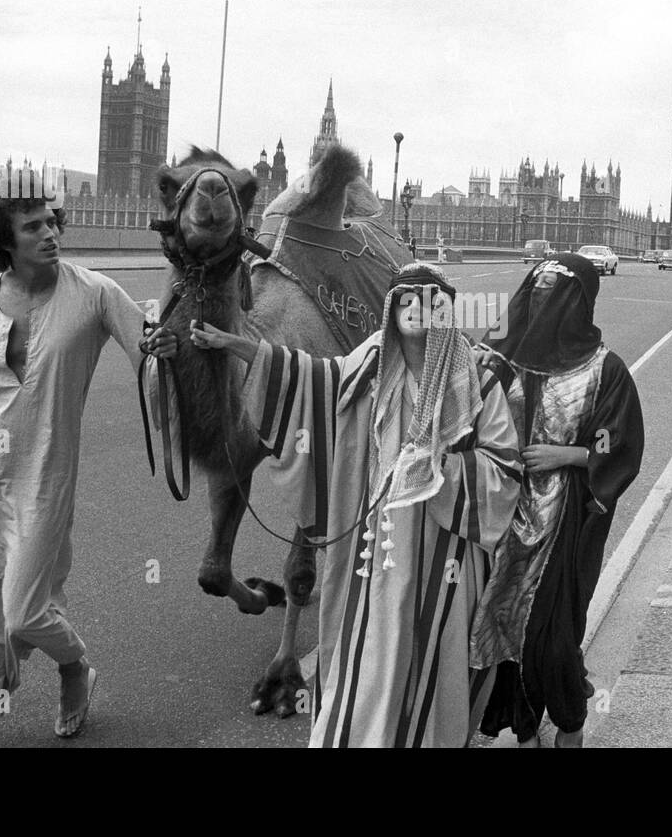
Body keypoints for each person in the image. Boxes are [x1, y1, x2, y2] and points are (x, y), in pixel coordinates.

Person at [191, 263, 521, 747]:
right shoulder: (365, 366)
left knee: (431, 663)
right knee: (361, 658)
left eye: (428, 303)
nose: (416, 311)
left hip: (443, 556)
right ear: (391, 310)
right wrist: (237, 347)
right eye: (406, 301)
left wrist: (439, 470)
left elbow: (504, 470)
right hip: (372, 554)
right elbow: (302, 380)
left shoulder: (480, 378)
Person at [0, 181, 176, 747]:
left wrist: (167, 352)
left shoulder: (94, 293)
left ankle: (74, 666)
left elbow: (151, 359)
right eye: (33, 227)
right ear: (5, 243)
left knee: (21, 611)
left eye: (51, 222)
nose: (50, 234)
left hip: (46, 472)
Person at [471, 253, 645, 748]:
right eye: (538, 288)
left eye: (555, 291)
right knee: (501, 624)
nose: (543, 300)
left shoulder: (605, 369)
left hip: (563, 521)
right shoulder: (502, 363)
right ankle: (525, 730)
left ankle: (569, 724)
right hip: (503, 515)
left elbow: (621, 443)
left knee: (552, 636)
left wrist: (567, 455)